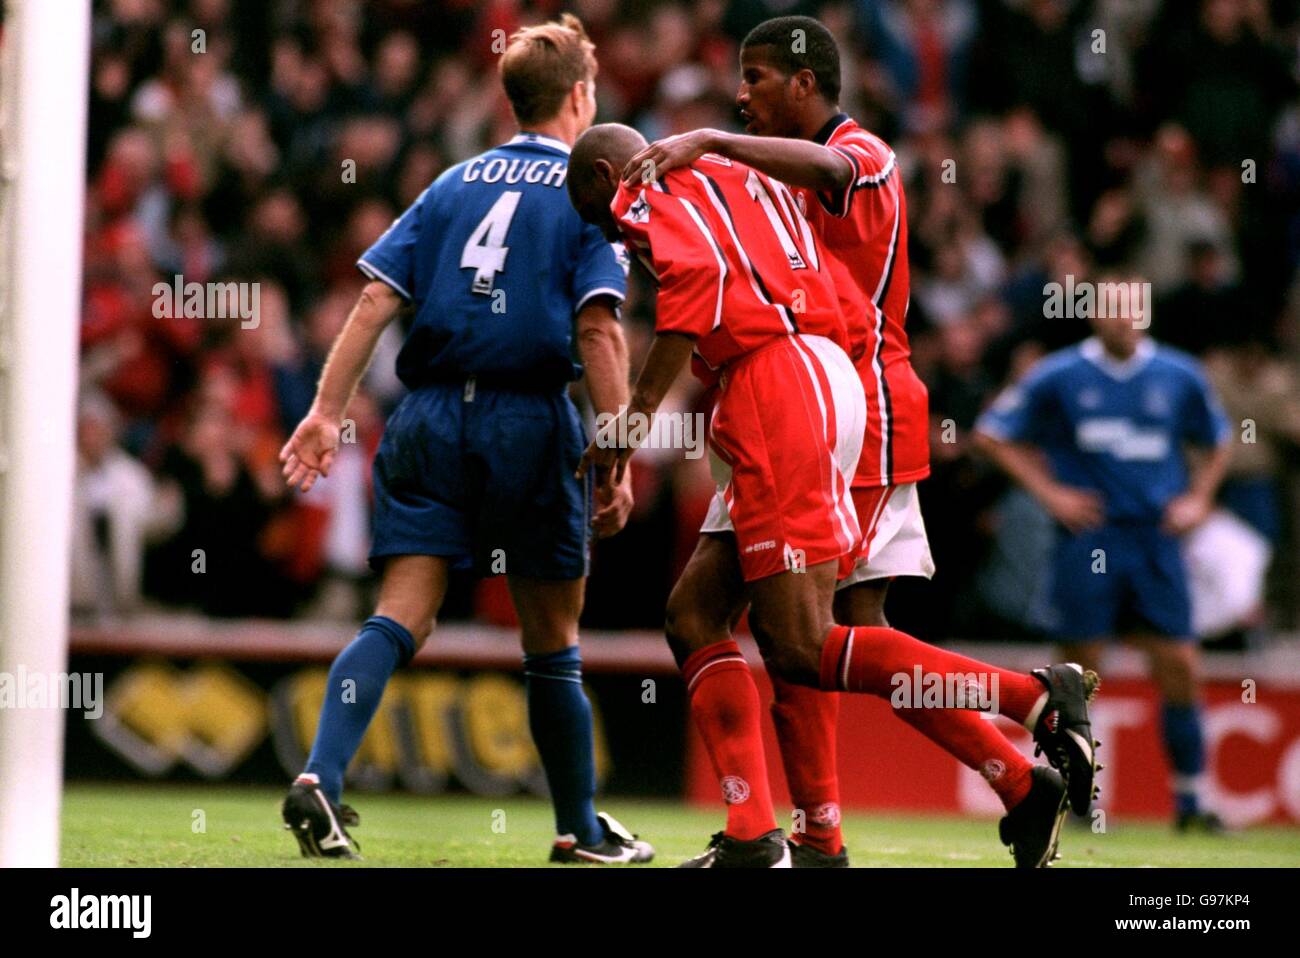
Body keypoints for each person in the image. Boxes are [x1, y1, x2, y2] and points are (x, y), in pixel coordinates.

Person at [620, 15, 1095, 866]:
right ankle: (1011, 779)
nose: (741, 95)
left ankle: (1022, 711)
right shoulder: (766, 176)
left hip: (860, 414)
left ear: (806, 82)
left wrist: (707, 140)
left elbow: (834, 168)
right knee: (734, 618)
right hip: (803, 410)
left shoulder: (860, 151)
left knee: (808, 636)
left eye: (757, 79)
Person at [277, 14, 653, 864]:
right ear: (582, 97)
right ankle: (580, 830)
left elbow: (374, 300)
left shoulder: (451, 183)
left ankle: (319, 779)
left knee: (398, 616)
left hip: (430, 416)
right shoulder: (592, 194)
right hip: (527, 417)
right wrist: (616, 452)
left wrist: (323, 413)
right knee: (552, 641)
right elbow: (598, 332)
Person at [976, 274, 1233, 832]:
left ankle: (1192, 803)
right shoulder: (1061, 375)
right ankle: (1080, 799)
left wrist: (1198, 500)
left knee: (1180, 663)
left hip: (1155, 538)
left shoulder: (1179, 375)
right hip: (1090, 537)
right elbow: (992, 433)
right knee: (1081, 672)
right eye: (1112, 309)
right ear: (1092, 315)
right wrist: (1051, 494)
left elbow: (1219, 438)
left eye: (1132, 309)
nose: (1123, 319)